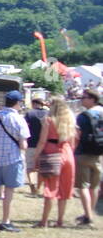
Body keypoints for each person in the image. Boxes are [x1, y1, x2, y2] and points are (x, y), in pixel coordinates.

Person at [0, 90, 29, 231]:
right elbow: (23, 145)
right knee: (8, 192)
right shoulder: (19, 119)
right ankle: (5, 220)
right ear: (17, 103)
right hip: (12, 159)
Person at [29, 97, 77, 228]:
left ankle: (44, 221)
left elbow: (42, 141)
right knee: (65, 190)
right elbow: (73, 142)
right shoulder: (70, 121)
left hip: (52, 153)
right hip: (67, 153)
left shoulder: (48, 120)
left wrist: (36, 156)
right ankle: (60, 220)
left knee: (50, 188)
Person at [74, 88, 102, 227]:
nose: (81, 99)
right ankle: (89, 212)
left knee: (83, 186)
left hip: (83, 153)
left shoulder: (83, 115)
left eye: (84, 97)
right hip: (98, 154)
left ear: (92, 99)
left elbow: (77, 135)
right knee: (95, 186)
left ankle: (88, 216)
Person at [25, 94, 50, 196]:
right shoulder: (48, 113)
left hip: (31, 143)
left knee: (30, 167)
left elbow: (25, 127)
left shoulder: (29, 113)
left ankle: (32, 186)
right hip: (45, 144)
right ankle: (40, 187)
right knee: (41, 168)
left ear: (34, 103)